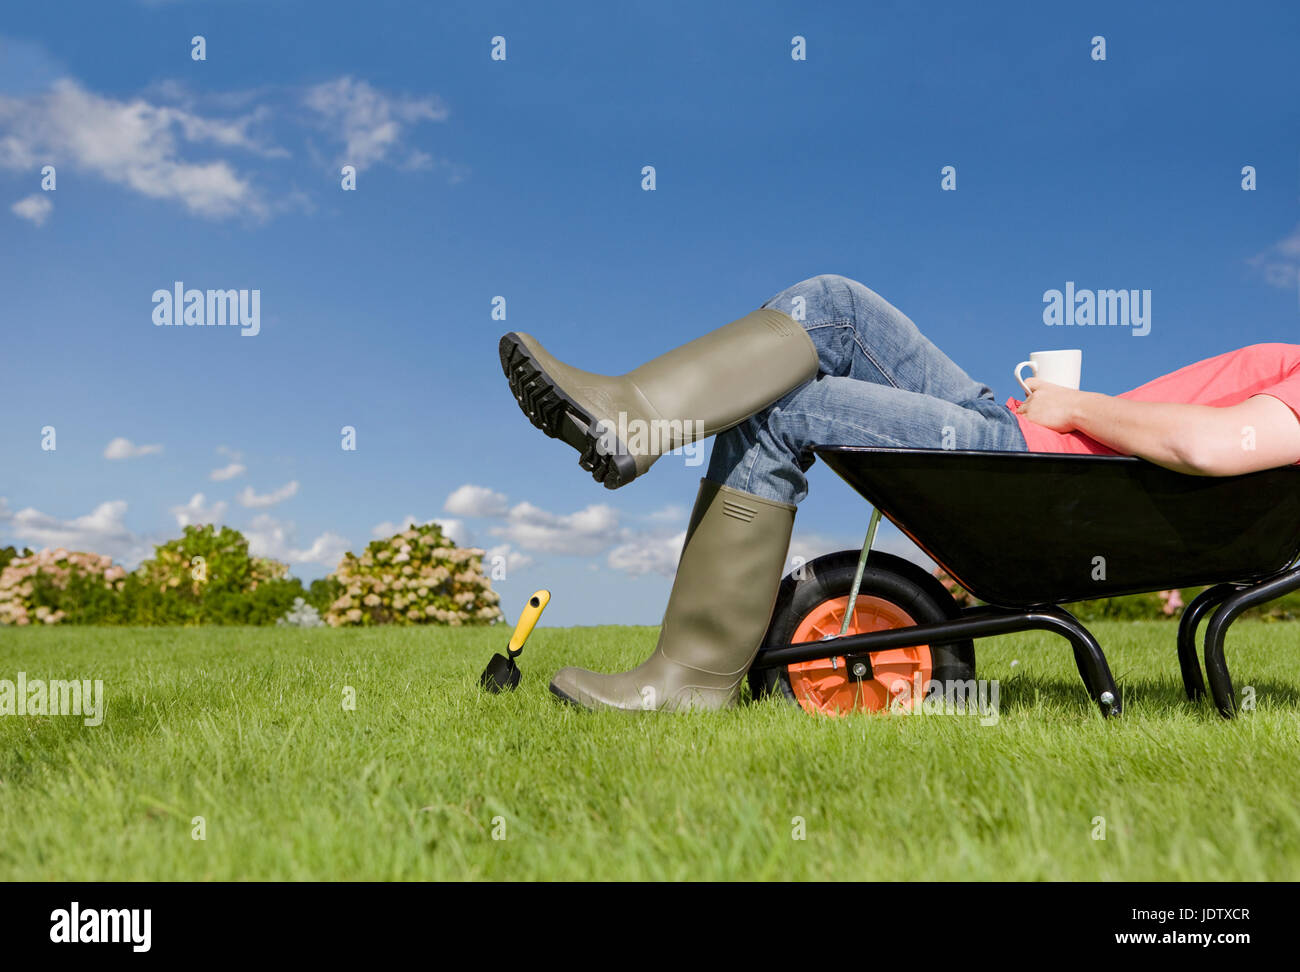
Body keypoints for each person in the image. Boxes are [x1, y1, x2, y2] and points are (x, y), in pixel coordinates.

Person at [499, 274, 1300, 712]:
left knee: (788, 409)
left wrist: (1071, 409)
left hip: (1037, 459)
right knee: (834, 307)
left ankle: (688, 677)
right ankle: (631, 417)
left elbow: (1212, 445)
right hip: (1032, 440)